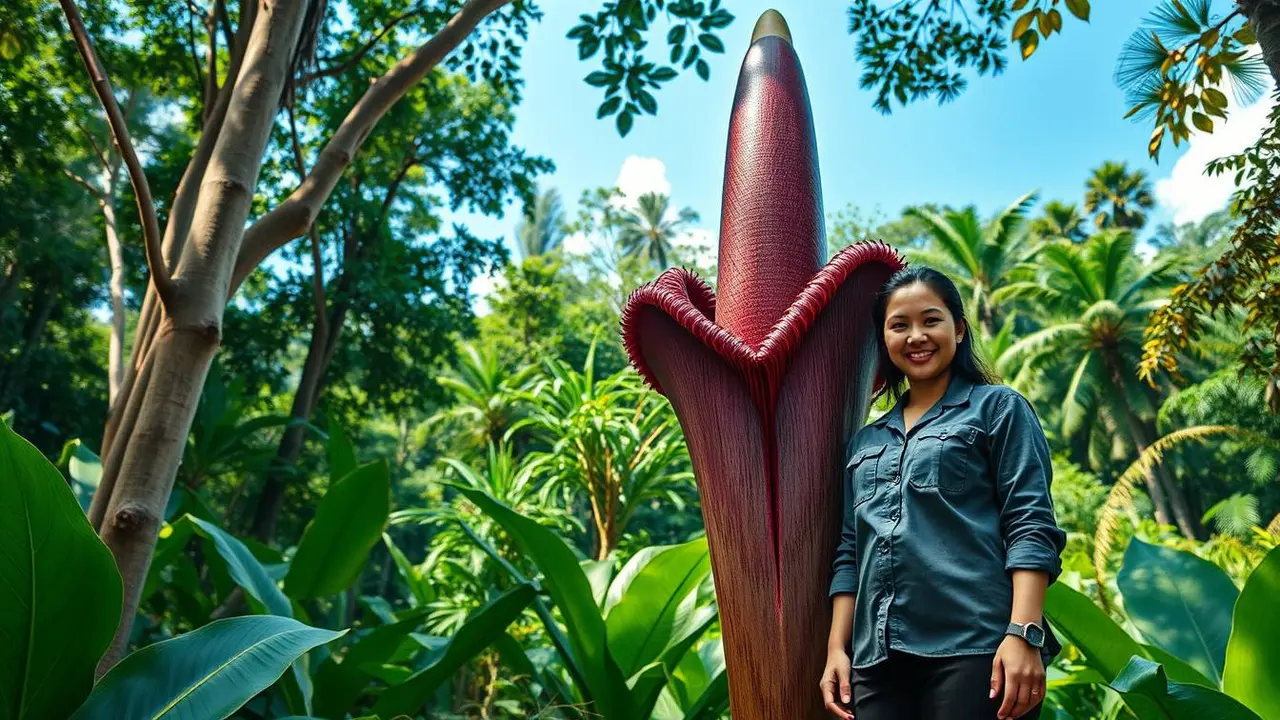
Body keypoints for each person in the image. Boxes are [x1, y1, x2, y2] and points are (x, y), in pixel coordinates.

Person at [819, 266, 1067, 720]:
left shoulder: (999, 409)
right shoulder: (865, 442)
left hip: (976, 649)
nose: (917, 336)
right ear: (884, 339)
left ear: (959, 328)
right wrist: (838, 650)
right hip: (877, 662)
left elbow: (1030, 525)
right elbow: (851, 554)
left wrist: (1023, 633)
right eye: (899, 325)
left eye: (931, 320)